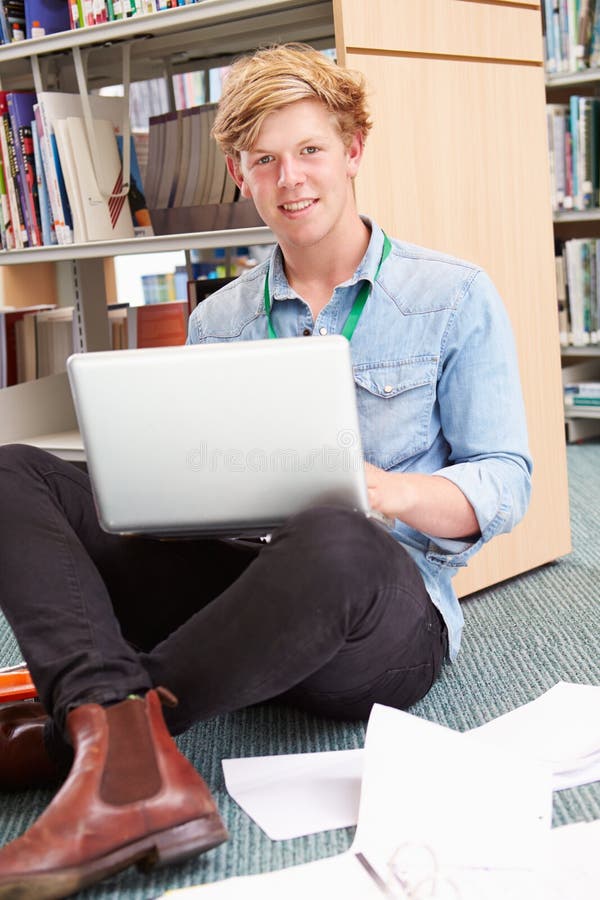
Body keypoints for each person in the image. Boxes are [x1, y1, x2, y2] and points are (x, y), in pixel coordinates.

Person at [0, 43, 532, 899]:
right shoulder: (218, 320)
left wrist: (384, 489)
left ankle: (88, 738)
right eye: (265, 160)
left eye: (311, 150)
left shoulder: (454, 296)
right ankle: (123, 749)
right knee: (14, 473)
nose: (292, 179)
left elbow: (507, 483)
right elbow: (195, 496)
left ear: (354, 149)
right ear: (240, 173)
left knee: (341, 539)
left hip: (382, 617)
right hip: (237, 586)